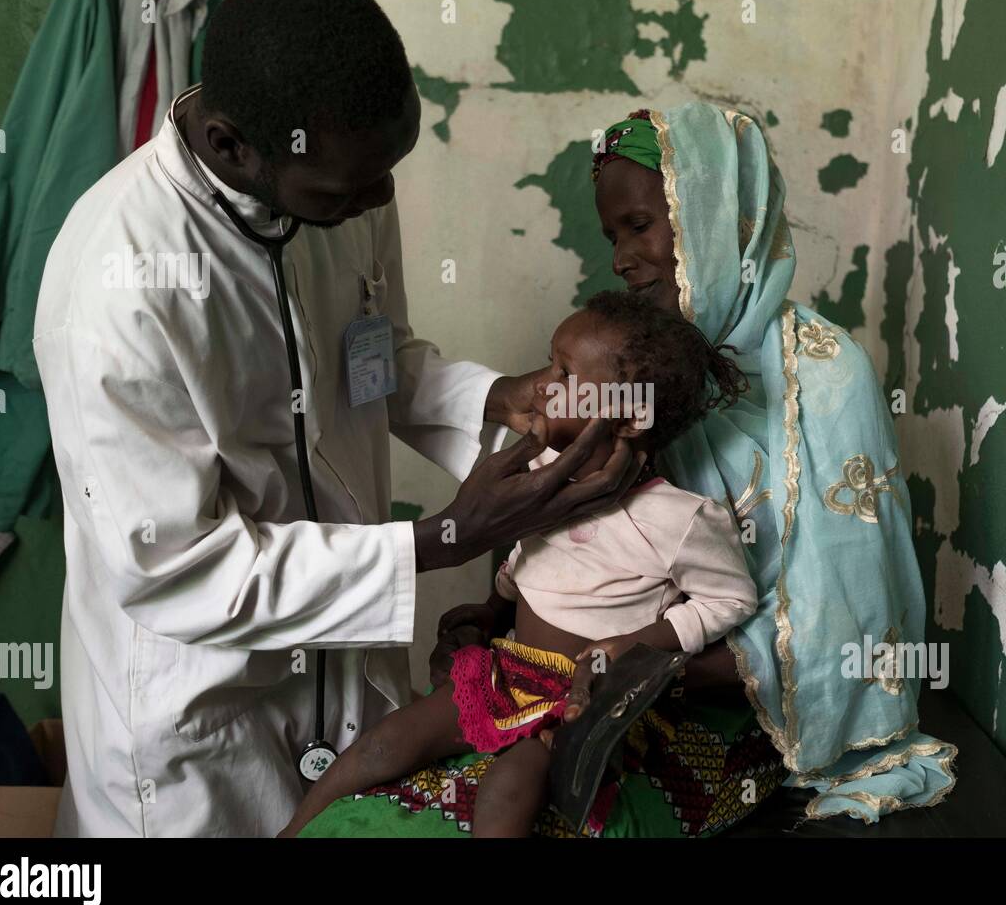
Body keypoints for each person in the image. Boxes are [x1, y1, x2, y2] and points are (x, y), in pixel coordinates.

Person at [31, 0, 640, 837]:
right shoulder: (118, 287)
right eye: (346, 193)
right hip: (203, 726)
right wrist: (439, 540)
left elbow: (370, 356)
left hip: (347, 685)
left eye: (387, 174)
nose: (379, 203)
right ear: (231, 144)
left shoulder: (339, 180)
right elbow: (172, 566)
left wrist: (505, 400)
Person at [314, 103, 956, 837]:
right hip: (574, 685)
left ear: (721, 216)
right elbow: (583, 542)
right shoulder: (630, 363)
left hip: (739, 710)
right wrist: (500, 620)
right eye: (612, 235)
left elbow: (842, 623)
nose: (621, 257)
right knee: (378, 796)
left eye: (642, 226)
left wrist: (643, 664)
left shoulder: (825, 375)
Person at [283, 291, 760, 837]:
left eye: (565, 375)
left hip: (584, 696)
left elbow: (733, 599)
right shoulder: (537, 475)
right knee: (387, 741)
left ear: (630, 419)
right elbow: (528, 561)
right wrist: (490, 610)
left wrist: (642, 643)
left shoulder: (678, 519)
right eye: (551, 362)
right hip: (506, 669)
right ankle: (289, 831)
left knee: (513, 783)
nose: (541, 386)